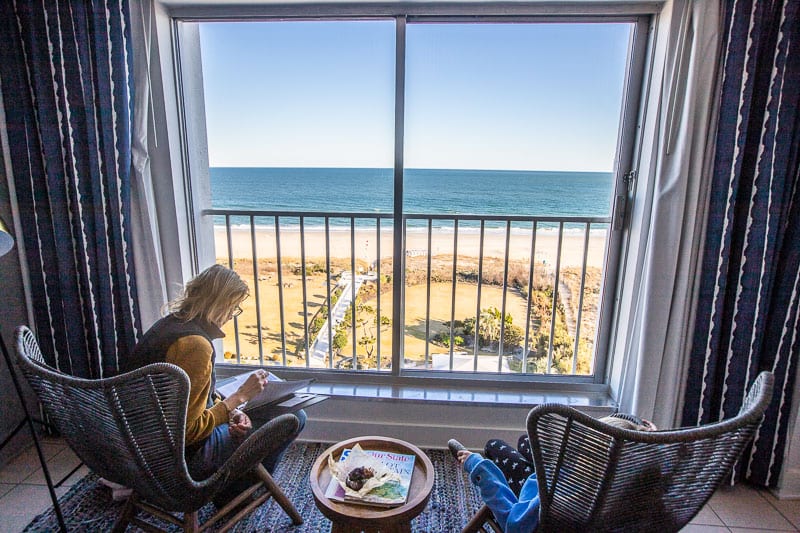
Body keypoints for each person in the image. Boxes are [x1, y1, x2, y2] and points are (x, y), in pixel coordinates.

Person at [122, 264, 306, 505]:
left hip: (141, 448)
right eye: (234, 307)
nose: (232, 315)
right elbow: (189, 432)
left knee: (250, 417)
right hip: (177, 462)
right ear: (219, 303)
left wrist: (231, 412)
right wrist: (239, 397)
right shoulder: (195, 345)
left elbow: (187, 404)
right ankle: (236, 493)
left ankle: (235, 484)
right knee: (295, 416)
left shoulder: (170, 326)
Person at [449, 414, 656, 533]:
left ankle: (490, 458)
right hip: (576, 492)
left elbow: (514, 524)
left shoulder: (559, 494)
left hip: (539, 493)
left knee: (494, 446)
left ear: (587, 456)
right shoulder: (641, 494)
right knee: (525, 442)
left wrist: (481, 470)